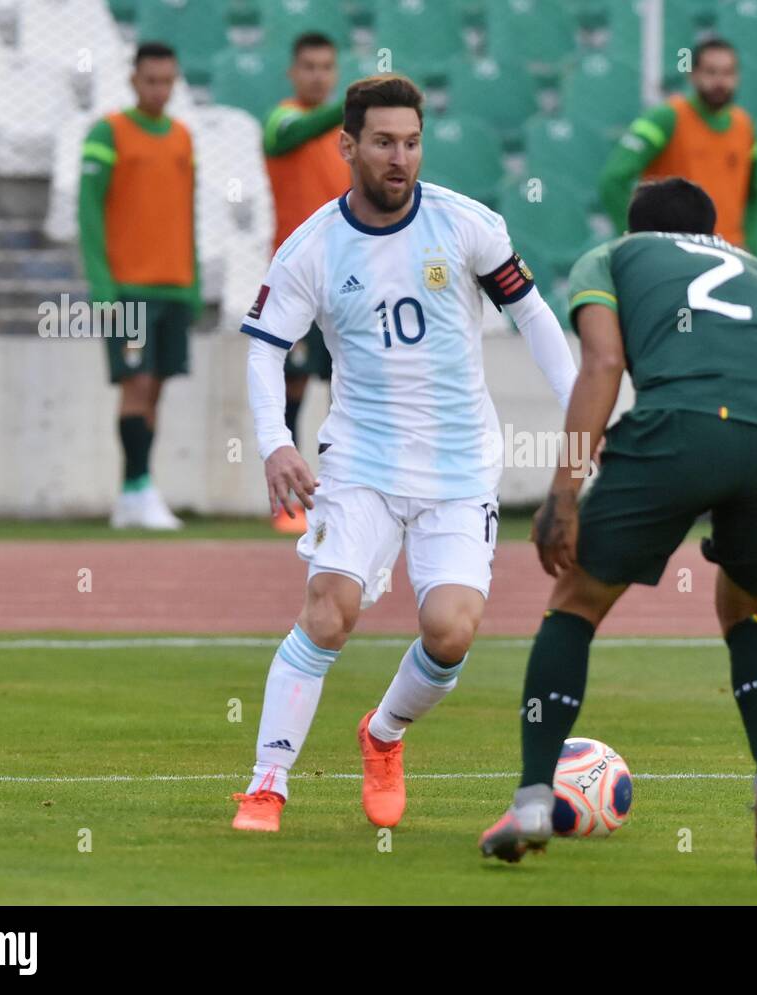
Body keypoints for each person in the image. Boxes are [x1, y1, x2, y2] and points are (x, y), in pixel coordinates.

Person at [231, 75, 578, 834]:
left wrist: (585, 418)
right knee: (330, 611)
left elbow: (536, 318)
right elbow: (263, 349)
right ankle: (266, 782)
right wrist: (276, 443)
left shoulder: (467, 226)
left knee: (451, 630)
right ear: (348, 145)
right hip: (360, 461)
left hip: (458, 470)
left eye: (412, 142)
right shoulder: (313, 247)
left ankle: (383, 734)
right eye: (384, 143)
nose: (401, 158)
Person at [478, 178, 757, 875]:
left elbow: (604, 363)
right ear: (713, 228)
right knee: (748, 610)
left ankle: (534, 798)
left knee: (575, 602)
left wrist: (564, 491)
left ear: (636, 227)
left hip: (680, 428)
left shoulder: (613, 256)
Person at [79, 41, 200, 530]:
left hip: (173, 286)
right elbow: (87, 210)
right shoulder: (109, 132)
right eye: (151, 80)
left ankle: (139, 488)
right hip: (128, 288)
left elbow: (186, 213)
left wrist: (193, 284)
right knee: (137, 385)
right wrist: (102, 285)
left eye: (168, 81)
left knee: (157, 391)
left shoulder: (184, 138)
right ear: (133, 80)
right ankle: (134, 490)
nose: (159, 89)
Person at [262, 32, 346, 533]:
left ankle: (342, 493)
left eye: (325, 66)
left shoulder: (344, 140)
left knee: (346, 386)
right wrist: (348, 108)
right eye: (308, 66)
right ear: (293, 72)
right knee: (291, 386)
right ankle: (289, 501)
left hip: (345, 281)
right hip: (295, 278)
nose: (317, 75)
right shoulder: (283, 118)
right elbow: (286, 137)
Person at [599, 38, 757, 251]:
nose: (720, 82)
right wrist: (638, 239)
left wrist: (751, 246)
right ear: (693, 74)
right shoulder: (667, 117)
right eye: (711, 72)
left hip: (728, 254)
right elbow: (613, 180)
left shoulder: (745, 127)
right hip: (676, 254)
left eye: (728, 73)